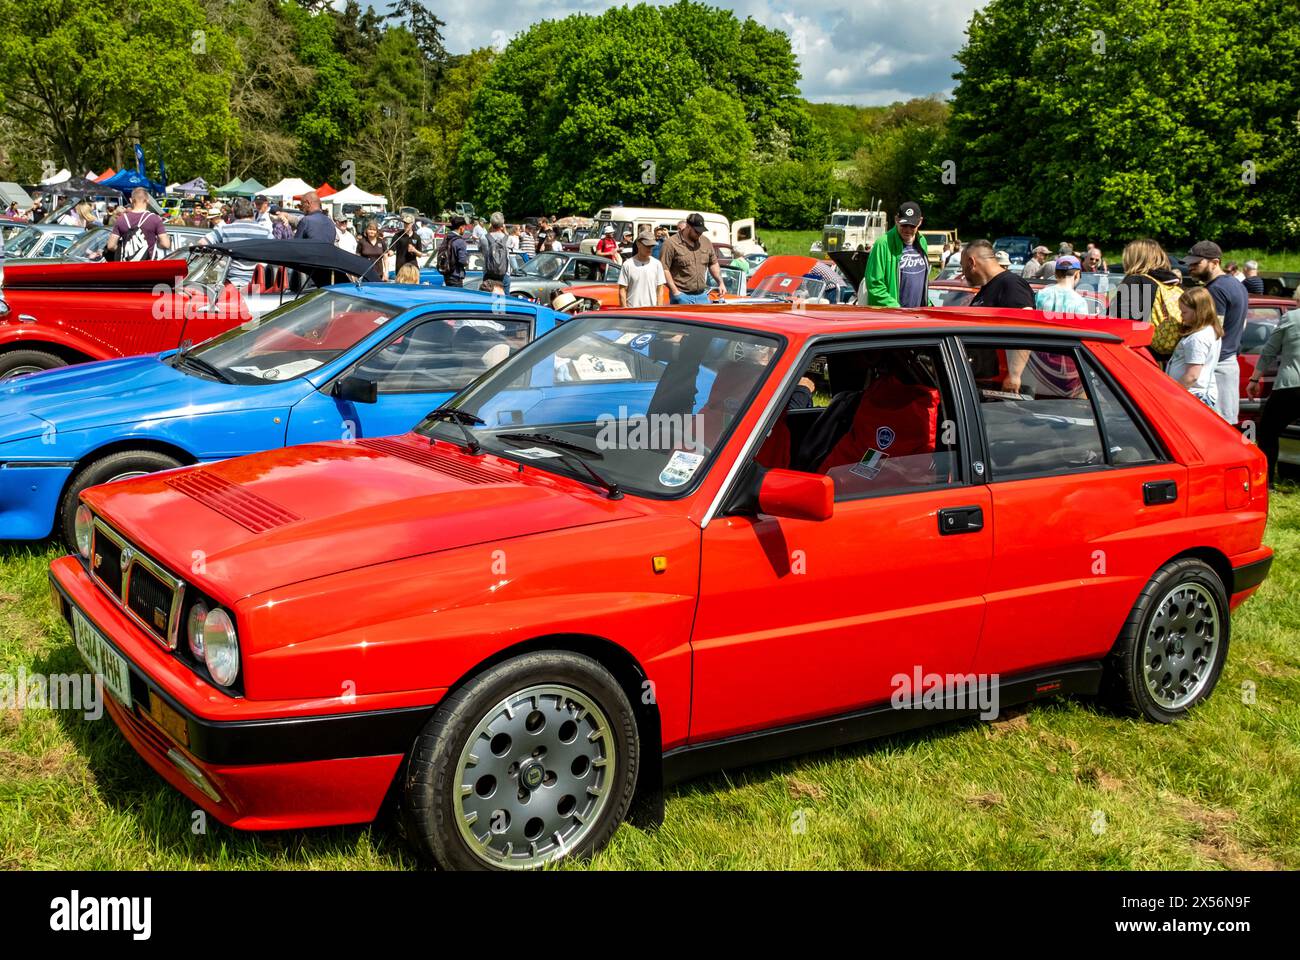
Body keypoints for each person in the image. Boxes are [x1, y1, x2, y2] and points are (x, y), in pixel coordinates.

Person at [1186, 240, 1247, 424]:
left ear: (1215, 262)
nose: (1191, 267)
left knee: (1213, 427)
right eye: (1190, 263)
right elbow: (1242, 324)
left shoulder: (1216, 290)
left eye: (1197, 263)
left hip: (1217, 367)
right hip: (1229, 363)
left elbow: (1211, 332)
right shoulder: (1237, 285)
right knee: (1225, 427)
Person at [1249, 288, 1300, 487]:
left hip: (1291, 385)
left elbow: (1269, 351)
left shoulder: (1291, 318)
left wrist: (1254, 380)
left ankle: (1267, 482)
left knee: (1268, 432)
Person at [1107, 238, 1184, 361]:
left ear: (1135, 258)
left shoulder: (1135, 281)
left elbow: (1125, 324)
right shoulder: (1171, 282)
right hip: (1170, 355)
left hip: (1140, 356)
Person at [1166, 286, 1223, 414]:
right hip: (1196, 394)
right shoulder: (1208, 330)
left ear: (1198, 311)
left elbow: (1192, 376)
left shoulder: (1197, 338)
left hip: (1193, 396)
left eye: (1184, 312)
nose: (1181, 316)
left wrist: (1171, 395)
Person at [863, 200, 929, 308]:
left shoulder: (922, 242)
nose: (908, 230)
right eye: (904, 224)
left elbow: (923, 282)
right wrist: (897, 309)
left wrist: (928, 305)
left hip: (919, 317)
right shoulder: (883, 244)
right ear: (896, 219)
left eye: (912, 226)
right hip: (894, 317)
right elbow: (874, 285)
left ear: (920, 221)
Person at [202, 196, 272, 287]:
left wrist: (220, 261)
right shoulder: (265, 232)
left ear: (233, 212)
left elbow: (202, 243)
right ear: (252, 212)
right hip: (256, 283)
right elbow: (274, 250)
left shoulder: (224, 229)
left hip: (231, 282)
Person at [659, 212, 721, 304]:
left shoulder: (706, 242)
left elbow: (713, 263)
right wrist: (676, 292)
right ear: (688, 226)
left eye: (701, 231)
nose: (699, 234)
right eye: (696, 231)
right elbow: (664, 269)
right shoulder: (670, 243)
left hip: (702, 295)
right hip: (681, 296)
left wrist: (720, 283)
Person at [962, 239, 1035, 308]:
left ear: (971, 262)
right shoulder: (989, 287)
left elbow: (1024, 320)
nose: (963, 271)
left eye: (962, 265)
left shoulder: (1012, 284)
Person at [107, 187, 170, 261]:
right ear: (147, 200)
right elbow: (166, 244)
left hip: (127, 268)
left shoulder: (121, 219)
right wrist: (154, 244)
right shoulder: (155, 219)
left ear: (131, 200)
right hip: (148, 267)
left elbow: (111, 246)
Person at [618, 225, 667, 308]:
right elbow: (622, 290)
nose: (650, 249)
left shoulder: (657, 264)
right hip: (633, 313)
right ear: (638, 244)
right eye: (647, 246)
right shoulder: (628, 264)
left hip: (652, 312)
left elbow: (660, 289)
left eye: (652, 246)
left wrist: (659, 309)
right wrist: (625, 310)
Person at [481, 211, 512, 290]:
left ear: (491, 223)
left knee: (488, 299)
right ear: (502, 224)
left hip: (488, 274)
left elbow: (481, 251)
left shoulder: (484, 238)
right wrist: (505, 230)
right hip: (504, 274)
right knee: (504, 299)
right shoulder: (508, 239)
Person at [437, 216, 470, 286]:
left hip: (446, 274)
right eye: (464, 227)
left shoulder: (446, 238)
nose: (464, 230)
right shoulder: (460, 242)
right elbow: (463, 261)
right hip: (456, 275)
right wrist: (467, 261)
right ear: (461, 227)